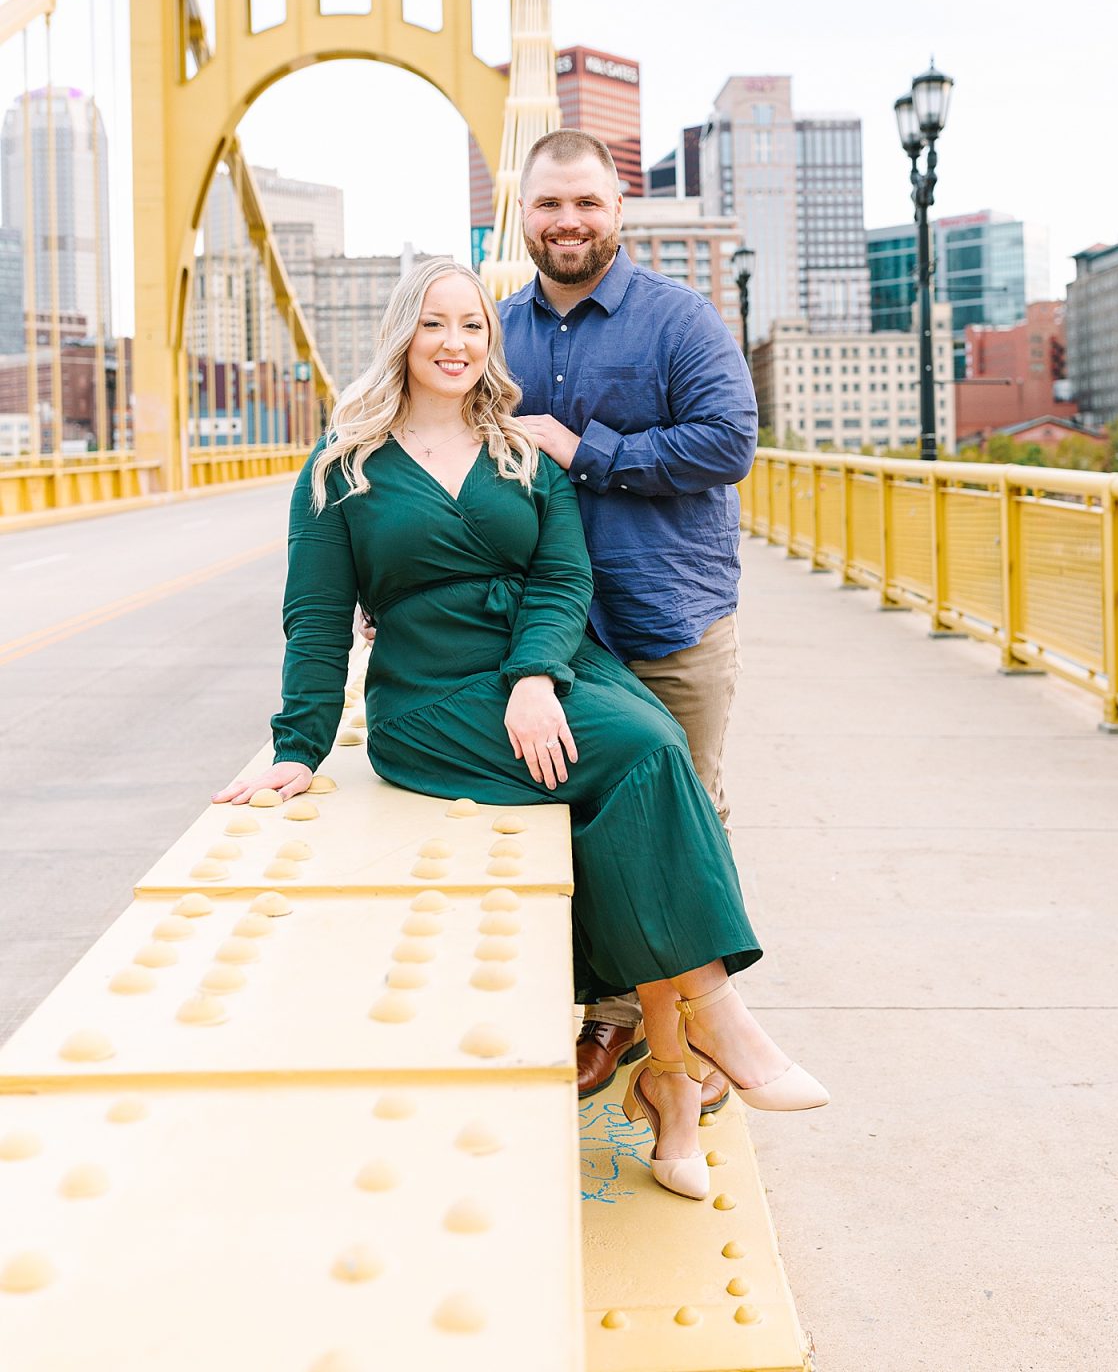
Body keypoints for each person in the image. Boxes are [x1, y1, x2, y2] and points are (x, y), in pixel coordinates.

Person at [213, 257, 827, 1201]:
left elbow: (562, 578)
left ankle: (672, 1080)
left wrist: (538, 671)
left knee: (648, 764)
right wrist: (297, 749)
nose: (455, 343)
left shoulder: (520, 453)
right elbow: (316, 618)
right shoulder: (340, 469)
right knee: (642, 755)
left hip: (550, 670)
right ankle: (710, 1021)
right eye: (434, 325)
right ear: (402, 338)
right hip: (431, 700)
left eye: (472, 326)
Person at [498, 128, 758, 1105]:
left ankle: (680, 1031)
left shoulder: (679, 320)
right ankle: (607, 1013)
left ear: (619, 213)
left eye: (588, 204)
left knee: (688, 814)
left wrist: (583, 446)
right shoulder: (493, 331)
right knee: (572, 823)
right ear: (523, 215)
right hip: (551, 632)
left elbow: (729, 442)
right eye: (549, 205)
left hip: (668, 615)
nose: (569, 222)